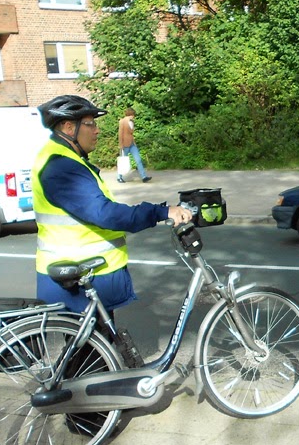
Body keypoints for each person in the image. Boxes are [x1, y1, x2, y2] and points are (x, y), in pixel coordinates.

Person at [32, 95, 191, 314]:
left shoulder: (67, 159)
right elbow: (104, 214)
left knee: (100, 345)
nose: (96, 131)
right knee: (91, 347)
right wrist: (160, 211)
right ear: (69, 127)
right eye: (90, 124)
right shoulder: (61, 167)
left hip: (84, 274)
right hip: (76, 280)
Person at [117, 106, 151, 183]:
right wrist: (121, 144)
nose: (134, 116)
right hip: (125, 144)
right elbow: (120, 134)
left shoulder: (132, 121)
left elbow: (131, 133)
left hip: (132, 144)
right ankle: (119, 177)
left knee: (138, 160)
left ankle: (144, 177)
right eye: (133, 114)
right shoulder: (122, 121)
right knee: (122, 161)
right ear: (130, 114)